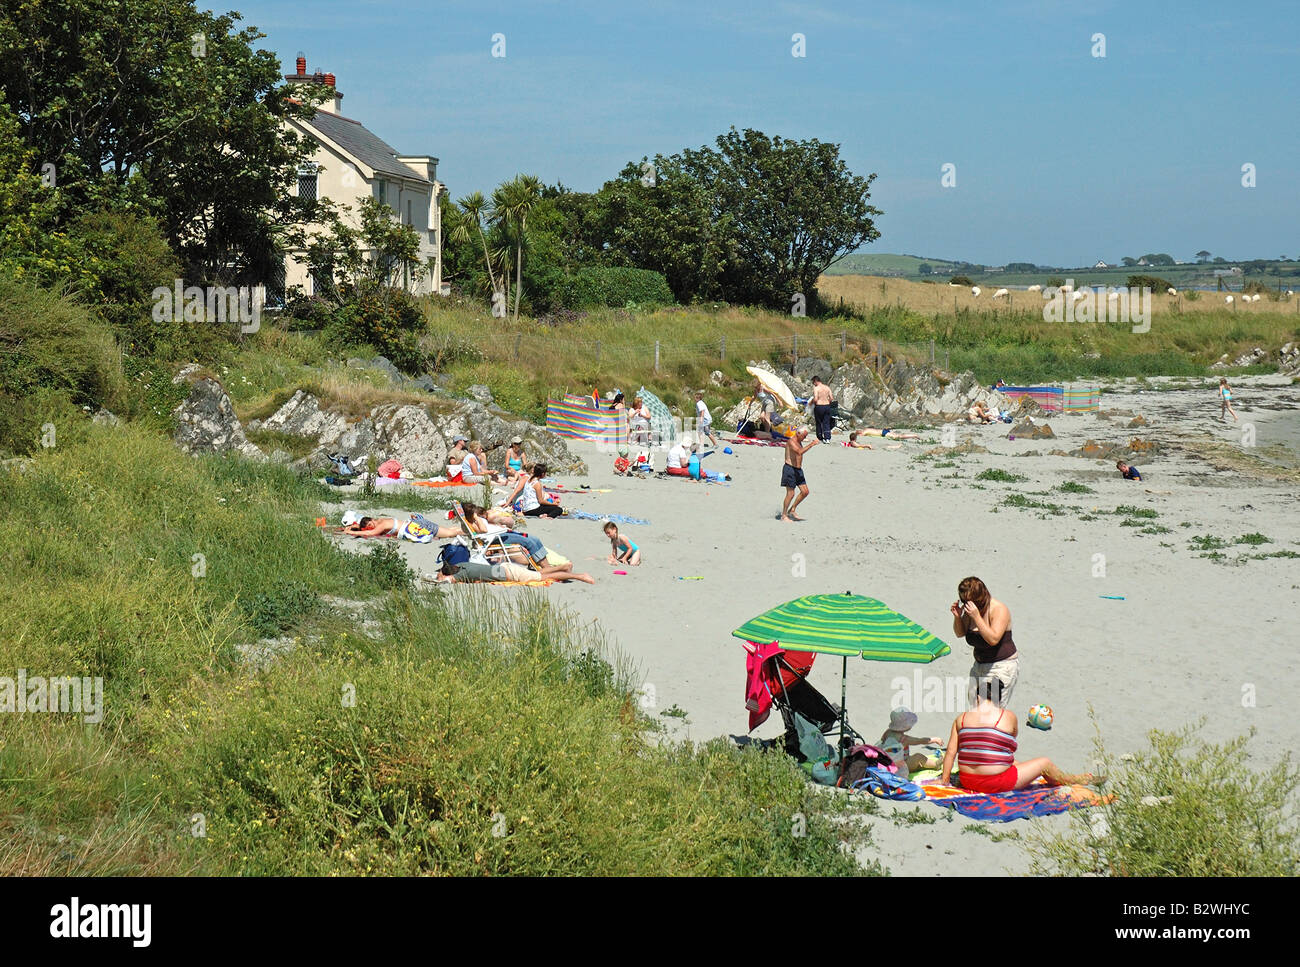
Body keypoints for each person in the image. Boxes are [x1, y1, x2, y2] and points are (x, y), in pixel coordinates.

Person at [940, 679, 1100, 793]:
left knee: (1014, 762)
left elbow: (951, 753)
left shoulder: (961, 718)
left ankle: (1067, 778)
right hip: (995, 783)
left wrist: (945, 781)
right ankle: (1073, 780)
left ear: (978, 697)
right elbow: (1010, 742)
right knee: (1044, 763)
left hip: (968, 781)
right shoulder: (1007, 717)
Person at [950, 576, 1019, 709]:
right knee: (975, 709)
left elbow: (993, 639)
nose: (968, 604)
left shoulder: (998, 609)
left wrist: (976, 617)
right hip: (979, 667)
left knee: (989, 711)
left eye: (970, 601)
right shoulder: (970, 610)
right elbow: (960, 633)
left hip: (1000, 667)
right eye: (964, 601)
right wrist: (958, 617)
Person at [878, 707, 944, 780]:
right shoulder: (904, 739)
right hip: (900, 767)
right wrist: (934, 739)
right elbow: (920, 741)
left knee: (907, 758)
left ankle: (919, 766)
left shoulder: (888, 732)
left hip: (887, 763)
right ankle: (935, 765)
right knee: (918, 757)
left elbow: (882, 742)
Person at [432, 559, 595, 585]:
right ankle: (564, 566)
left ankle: (579, 576)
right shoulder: (461, 565)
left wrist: (440, 577)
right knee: (539, 574)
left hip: (511, 574)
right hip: (506, 567)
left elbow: (446, 581)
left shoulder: (461, 575)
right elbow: (447, 570)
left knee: (542, 577)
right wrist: (442, 571)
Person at [779, 427, 818, 522]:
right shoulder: (791, 442)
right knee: (791, 493)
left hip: (798, 470)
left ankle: (792, 509)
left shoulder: (799, 440)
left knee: (805, 492)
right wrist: (811, 444)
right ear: (798, 434)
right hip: (790, 469)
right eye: (804, 436)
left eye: (805, 436)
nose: (804, 438)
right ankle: (784, 515)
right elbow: (799, 452)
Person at [810, 376, 835, 443]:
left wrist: (812, 402)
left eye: (813, 382)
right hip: (827, 406)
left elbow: (815, 398)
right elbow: (831, 398)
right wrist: (828, 402)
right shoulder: (827, 387)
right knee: (826, 422)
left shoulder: (816, 388)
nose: (813, 384)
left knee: (819, 422)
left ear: (815, 381)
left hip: (819, 406)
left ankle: (820, 437)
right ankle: (827, 438)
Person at [853, 426, 921, 441]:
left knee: (898, 436)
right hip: (883, 431)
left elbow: (862, 435)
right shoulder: (866, 429)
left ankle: (914, 435)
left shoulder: (865, 431)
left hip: (883, 433)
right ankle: (914, 435)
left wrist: (856, 435)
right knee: (898, 436)